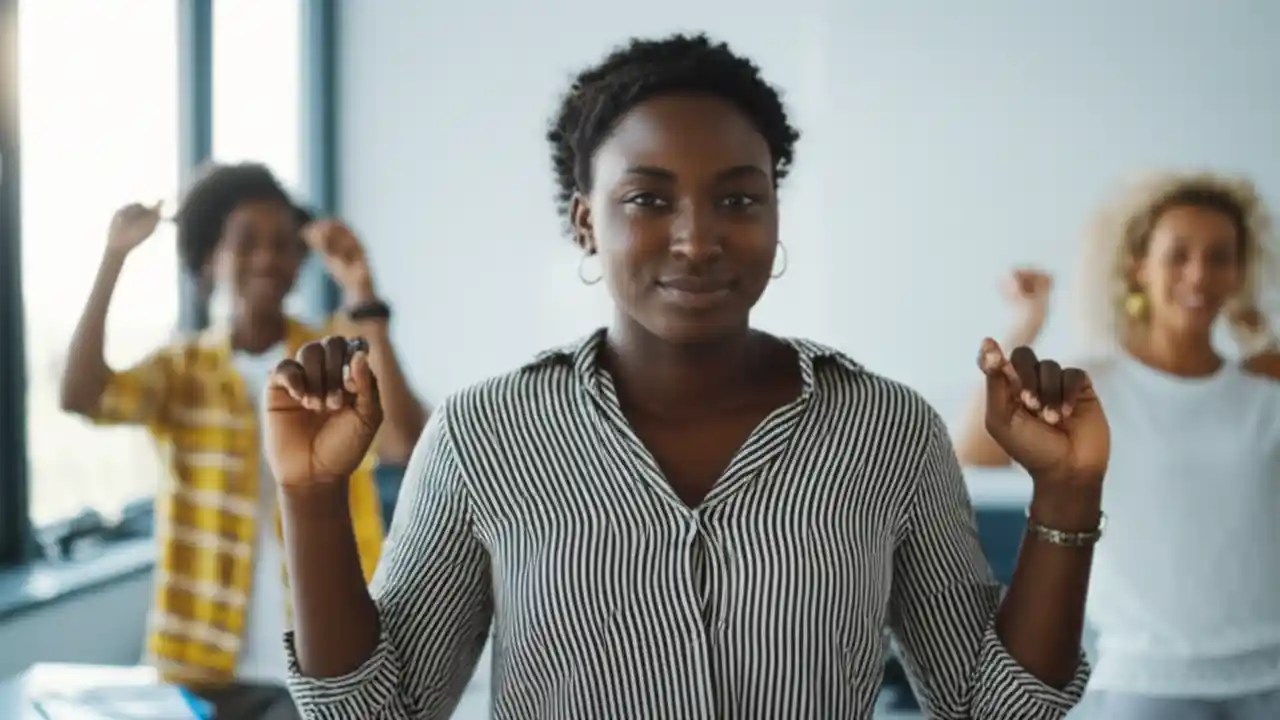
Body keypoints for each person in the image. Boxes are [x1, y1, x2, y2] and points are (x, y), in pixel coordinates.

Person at [267, 35, 1108, 719]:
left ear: (774, 216)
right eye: (648, 199)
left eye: (738, 200)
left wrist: (1067, 493)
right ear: (586, 223)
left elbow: (991, 709)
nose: (698, 240)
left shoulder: (886, 432)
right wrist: (310, 497)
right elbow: (377, 714)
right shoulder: (484, 436)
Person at [58, 162, 427, 719]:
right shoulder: (181, 370)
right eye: (246, 242)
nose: (265, 258)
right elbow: (81, 396)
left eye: (282, 244)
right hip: (200, 665)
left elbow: (403, 441)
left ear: (299, 263)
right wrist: (114, 258)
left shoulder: (332, 353)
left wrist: (362, 294)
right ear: (211, 258)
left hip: (328, 660)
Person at [956, 173, 1280, 718]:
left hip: (1271, 678)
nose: (1198, 274)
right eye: (1178, 255)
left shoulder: (1264, 391)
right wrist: (1027, 324)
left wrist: (1264, 341)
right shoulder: (1093, 388)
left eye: (1219, 257)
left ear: (1239, 272)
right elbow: (977, 452)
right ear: (1138, 266)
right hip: (1146, 682)